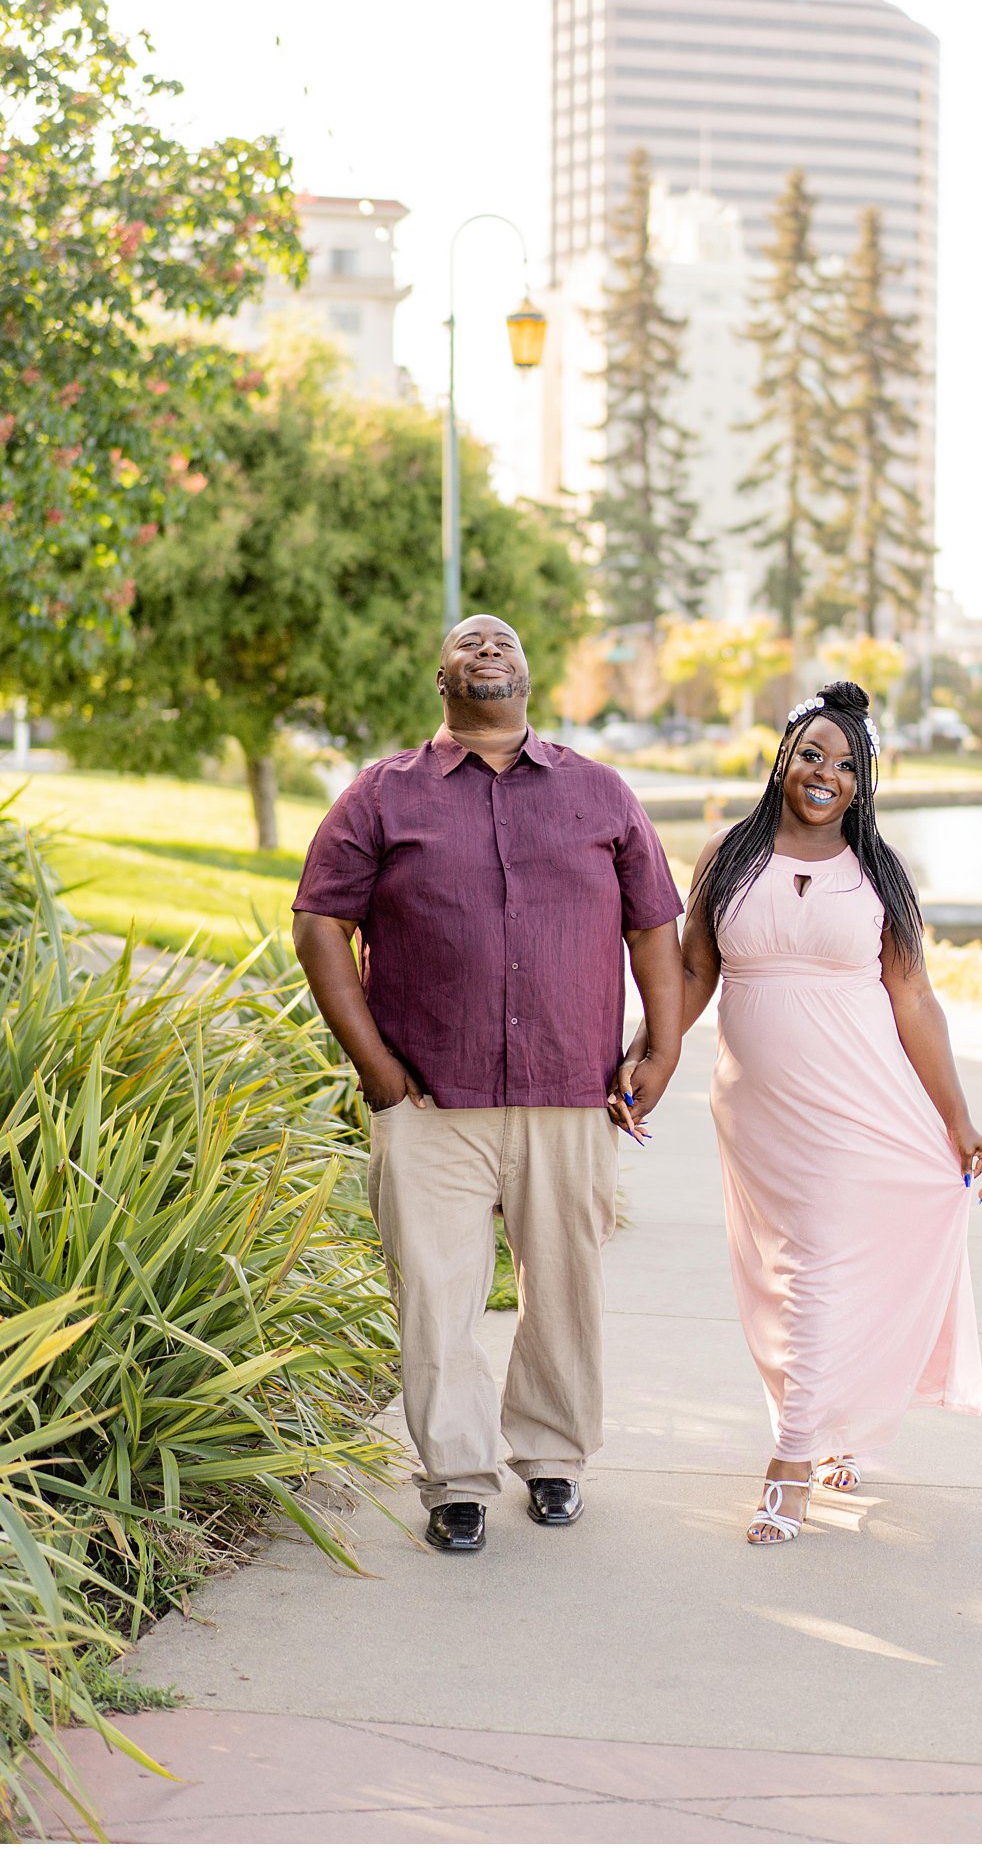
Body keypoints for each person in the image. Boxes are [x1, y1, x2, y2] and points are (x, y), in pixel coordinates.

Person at [293, 615, 684, 1555]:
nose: (486, 651)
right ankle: (456, 1479)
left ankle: (552, 1461)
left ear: (528, 673)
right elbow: (317, 927)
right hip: (431, 1103)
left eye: (502, 642)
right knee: (436, 1297)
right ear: (442, 677)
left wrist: (659, 1047)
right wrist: (379, 1073)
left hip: (568, 1094)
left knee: (566, 1289)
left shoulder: (599, 793)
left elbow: (653, 929)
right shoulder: (381, 797)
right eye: (468, 644)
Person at [617, 680, 982, 1545]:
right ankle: (826, 1422)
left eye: (846, 764)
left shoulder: (879, 875)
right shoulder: (727, 854)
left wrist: (958, 1120)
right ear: (782, 758)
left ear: (864, 784)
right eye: (811, 753)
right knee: (779, 1280)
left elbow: (914, 1000)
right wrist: (647, 1053)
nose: (825, 773)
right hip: (754, 1111)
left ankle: (789, 1467)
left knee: (822, 1264)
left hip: (857, 1104)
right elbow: (693, 974)